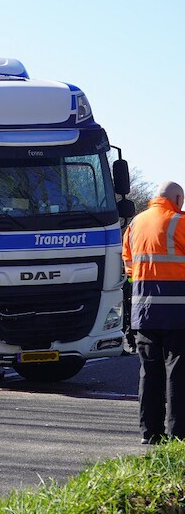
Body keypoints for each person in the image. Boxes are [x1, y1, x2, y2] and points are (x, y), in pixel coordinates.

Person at [123, 180, 185, 445]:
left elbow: (128, 267)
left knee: (149, 373)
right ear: (178, 198)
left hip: (144, 312)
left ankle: (150, 434)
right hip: (178, 313)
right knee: (178, 373)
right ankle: (178, 434)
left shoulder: (135, 225)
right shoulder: (180, 222)